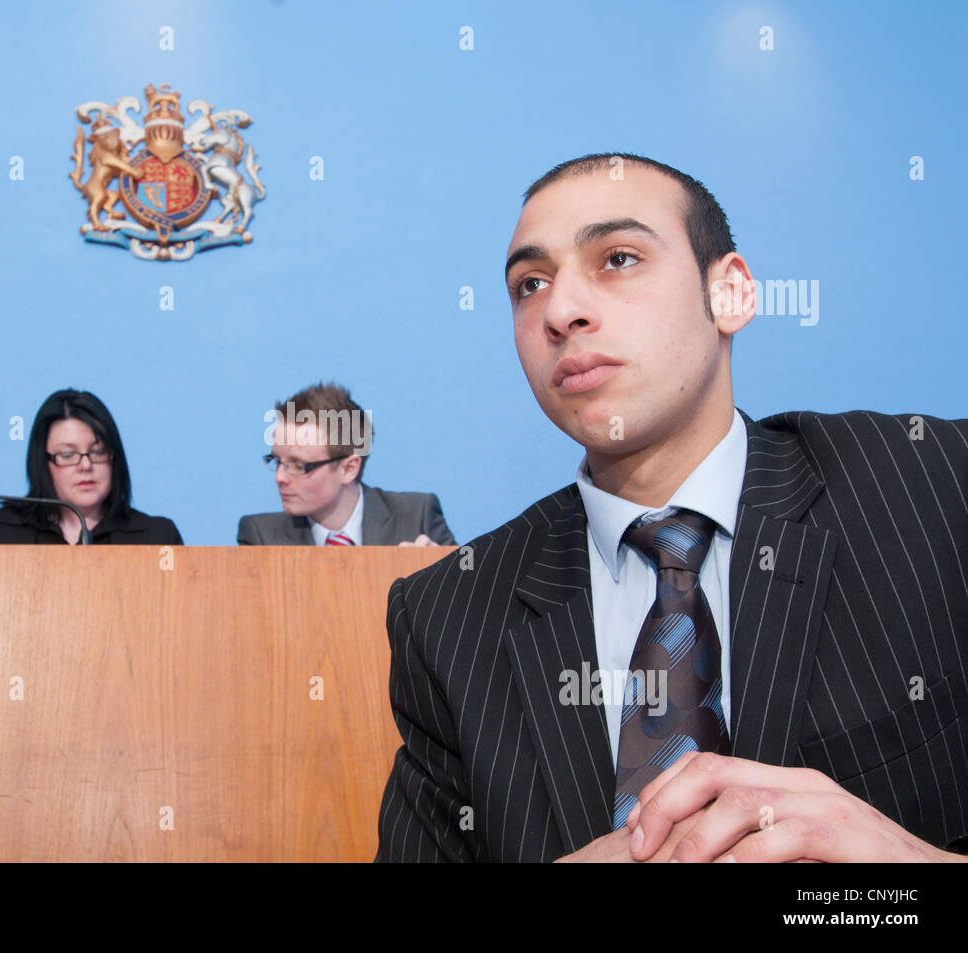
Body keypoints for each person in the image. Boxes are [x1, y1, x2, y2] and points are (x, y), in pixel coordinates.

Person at [375, 153, 967, 863]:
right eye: (529, 284)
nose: (561, 311)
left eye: (618, 258)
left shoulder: (934, 484)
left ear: (732, 293)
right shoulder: (446, 618)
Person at [237, 382, 455, 547]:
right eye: (277, 461)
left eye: (298, 465)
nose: (279, 478)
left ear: (349, 469)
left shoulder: (417, 515)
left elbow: (472, 575)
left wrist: (444, 574)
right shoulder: (260, 536)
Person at [0, 388, 181, 545]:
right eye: (67, 455)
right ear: (42, 462)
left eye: (98, 452)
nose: (85, 465)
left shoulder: (156, 538)